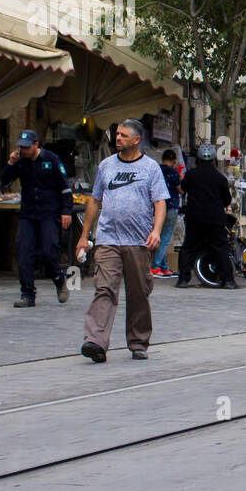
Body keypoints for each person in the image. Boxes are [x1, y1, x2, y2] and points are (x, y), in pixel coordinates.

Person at [75, 120, 169, 362]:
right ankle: (95, 341)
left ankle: (138, 342)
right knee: (104, 288)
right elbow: (95, 201)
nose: (117, 138)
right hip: (108, 239)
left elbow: (160, 202)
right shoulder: (106, 166)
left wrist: (156, 231)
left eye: (123, 135)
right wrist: (84, 236)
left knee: (138, 293)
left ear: (136, 140)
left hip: (138, 241)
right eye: (116, 134)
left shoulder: (151, 168)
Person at [0, 129, 73, 307]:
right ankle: (27, 294)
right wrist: (10, 163)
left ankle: (59, 279)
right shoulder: (20, 162)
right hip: (28, 214)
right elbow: (4, 181)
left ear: (36, 145)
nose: (23, 150)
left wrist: (66, 211)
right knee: (24, 253)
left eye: (26, 147)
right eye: (21, 147)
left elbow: (65, 188)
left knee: (49, 251)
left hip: (50, 213)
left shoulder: (51, 160)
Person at [174, 143, 236, 290]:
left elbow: (183, 189)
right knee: (220, 247)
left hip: (195, 218)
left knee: (189, 247)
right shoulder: (220, 178)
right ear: (214, 160)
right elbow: (227, 200)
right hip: (215, 219)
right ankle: (227, 280)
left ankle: (183, 279)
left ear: (198, 159)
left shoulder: (191, 175)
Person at [151, 149, 182, 277]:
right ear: (174, 161)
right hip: (170, 207)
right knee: (165, 238)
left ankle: (164, 267)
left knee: (159, 235)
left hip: (156, 207)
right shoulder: (173, 172)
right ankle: (156, 266)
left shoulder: (155, 170)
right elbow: (181, 190)